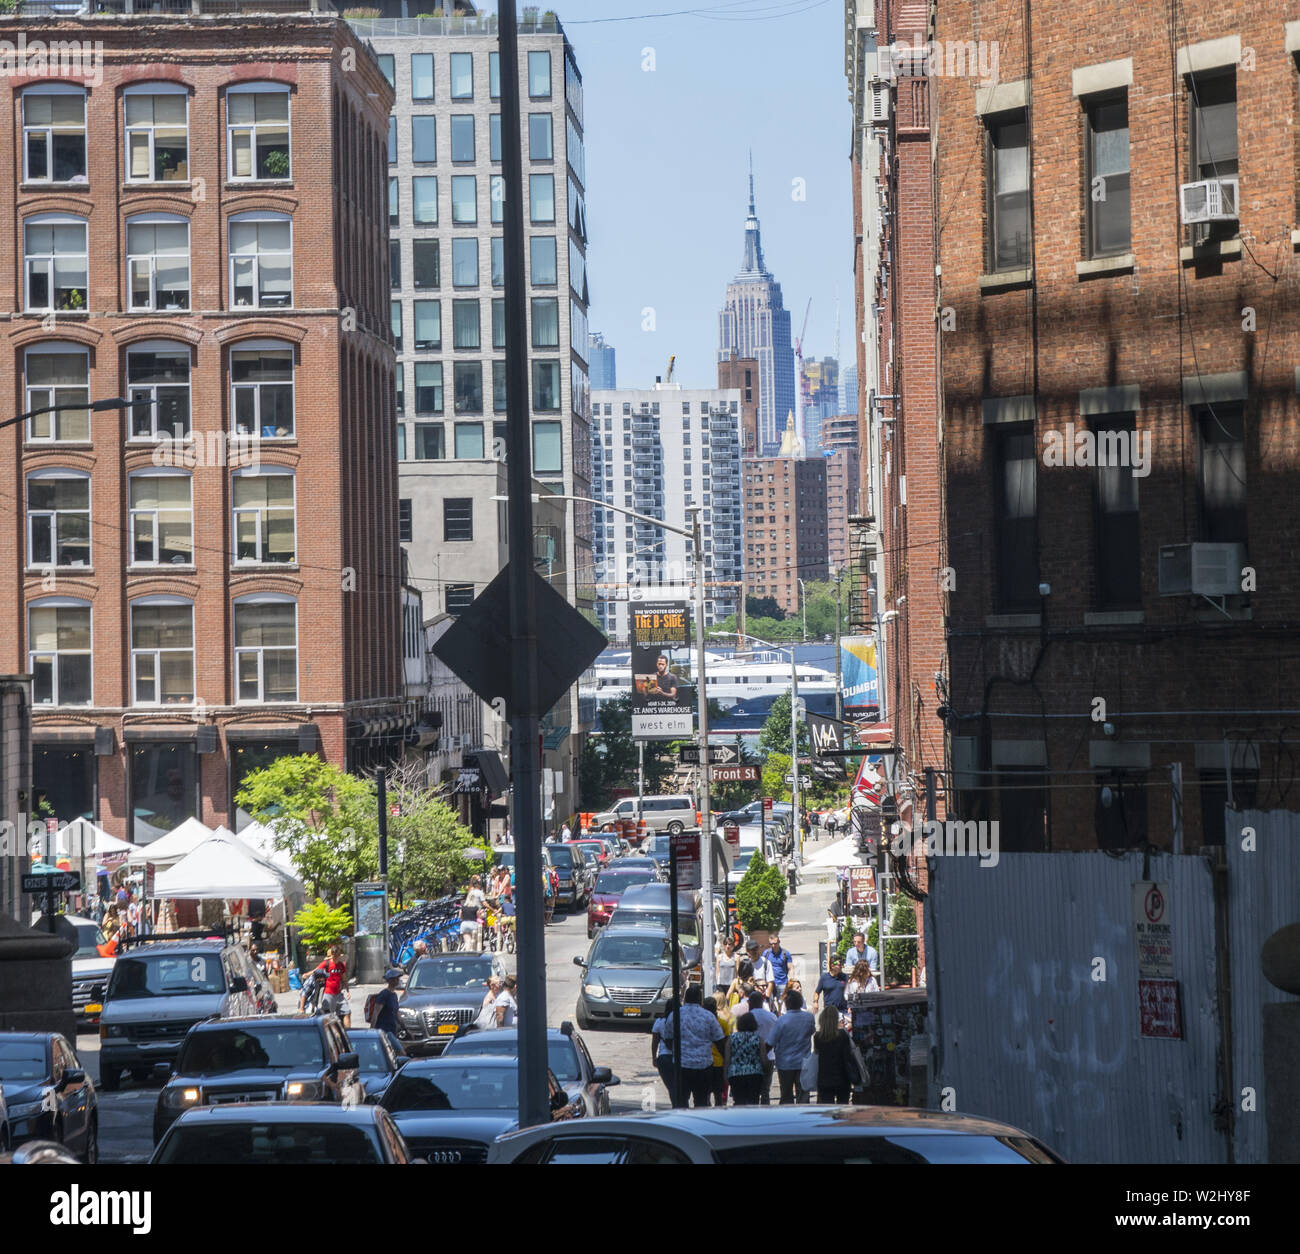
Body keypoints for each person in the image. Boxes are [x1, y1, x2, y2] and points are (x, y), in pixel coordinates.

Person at [659, 985, 723, 1109]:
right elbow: (719, 1041)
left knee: (681, 1102)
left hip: (681, 1066)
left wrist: (678, 1051)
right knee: (701, 1102)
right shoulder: (708, 1016)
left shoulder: (675, 1015)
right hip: (703, 1067)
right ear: (700, 999)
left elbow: (667, 1039)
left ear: (685, 999)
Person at [767, 988, 816, 1105]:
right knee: (803, 1095)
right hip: (803, 1062)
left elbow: (771, 1041)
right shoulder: (809, 1018)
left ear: (787, 1004)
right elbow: (811, 1031)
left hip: (785, 1063)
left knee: (786, 1095)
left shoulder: (781, 1020)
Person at [813, 1004, 855, 1103]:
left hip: (824, 1078)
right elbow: (848, 1054)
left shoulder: (818, 1037)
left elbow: (816, 1053)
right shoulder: (842, 1035)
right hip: (842, 1077)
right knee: (843, 1108)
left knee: (827, 1109)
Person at [724, 1012, 766, 1105]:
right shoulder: (758, 1038)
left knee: (739, 1102)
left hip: (736, 1074)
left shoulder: (732, 1038)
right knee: (754, 1101)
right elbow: (763, 1059)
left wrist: (725, 1074)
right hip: (755, 1074)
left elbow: (727, 1059)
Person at [745, 990, 779, 1104]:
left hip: (751, 1057)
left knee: (752, 1091)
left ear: (750, 1002)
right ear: (762, 1001)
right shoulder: (772, 1017)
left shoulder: (747, 1017)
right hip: (769, 1056)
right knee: (765, 1091)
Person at [651, 995, 679, 1108]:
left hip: (664, 1057)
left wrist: (654, 1057)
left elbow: (654, 1042)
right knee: (679, 1087)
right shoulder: (681, 1020)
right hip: (679, 1058)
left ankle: (675, 1106)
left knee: (671, 1087)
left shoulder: (659, 1022)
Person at [310, 945, 348, 1024]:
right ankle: (330, 1033)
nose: (336, 958)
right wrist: (306, 974)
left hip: (339, 994)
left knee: (347, 1012)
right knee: (328, 1017)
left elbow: (344, 979)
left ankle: (348, 1033)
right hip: (328, 994)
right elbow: (316, 970)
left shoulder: (341, 965)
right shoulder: (326, 963)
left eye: (338, 956)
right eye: (334, 956)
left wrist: (347, 991)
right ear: (332, 955)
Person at [703, 996, 729, 1107]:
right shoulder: (722, 1023)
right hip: (719, 1063)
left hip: (705, 1063)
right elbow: (726, 1044)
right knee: (718, 1094)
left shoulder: (701, 1022)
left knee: (706, 1094)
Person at [370, 967, 403, 1035]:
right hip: (384, 1032)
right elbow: (375, 1013)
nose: (397, 980)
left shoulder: (394, 995)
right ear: (389, 980)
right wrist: (372, 1032)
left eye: (397, 978)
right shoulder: (384, 994)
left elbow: (396, 1014)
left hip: (392, 1030)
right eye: (395, 978)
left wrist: (405, 1028)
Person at [761, 934, 794, 1000]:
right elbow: (762, 968)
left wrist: (790, 981)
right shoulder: (766, 953)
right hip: (770, 983)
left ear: (779, 942)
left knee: (782, 1003)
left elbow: (790, 968)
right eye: (771, 944)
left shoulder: (785, 954)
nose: (773, 946)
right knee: (769, 1003)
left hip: (782, 983)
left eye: (775, 944)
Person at [460, 876, 485, 950]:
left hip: (464, 924)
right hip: (473, 925)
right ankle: (474, 954)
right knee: (475, 942)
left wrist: (463, 918)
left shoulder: (463, 907)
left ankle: (468, 954)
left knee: (468, 942)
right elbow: (479, 916)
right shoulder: (475, 908)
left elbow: (460, 915)